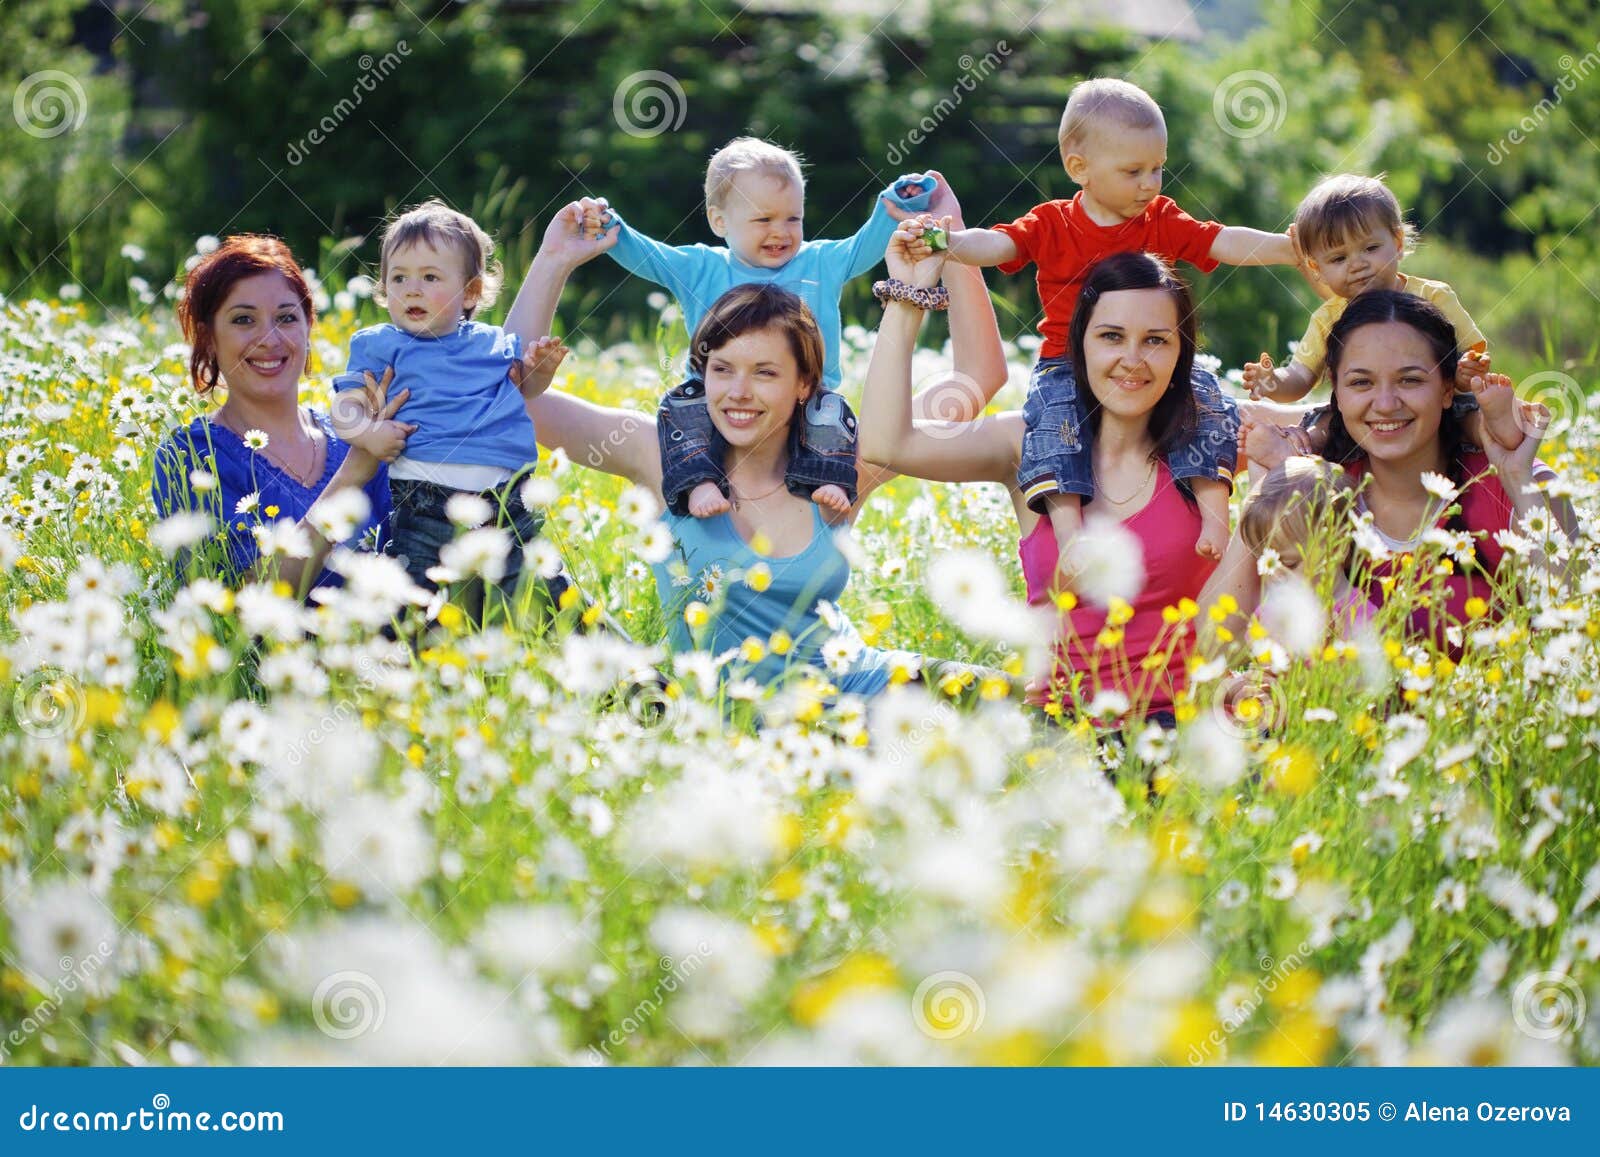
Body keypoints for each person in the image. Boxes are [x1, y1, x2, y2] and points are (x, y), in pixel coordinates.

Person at [499, 185, 1007, 697]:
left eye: (765, 373)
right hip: (737, 733)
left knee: (1041, 710)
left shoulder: (842, 460)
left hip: (862, 698)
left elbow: (978, 377)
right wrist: (552, 261)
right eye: (722, 370)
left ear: (805, 383)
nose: (738, 393)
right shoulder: (656, 454)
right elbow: (509, 399)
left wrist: (951, 239)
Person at [860, 231, 1237, 726]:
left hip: (1186, 729)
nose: (1132, 359)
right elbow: (887, 444)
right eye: (1111, 336)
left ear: (1180, 353)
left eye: (1156, 341)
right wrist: (907, 296)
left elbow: (1353, 422)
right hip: (1060, 734)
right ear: (1079, 343)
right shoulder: (1028, 442)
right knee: (893, 697)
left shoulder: (1214, 437)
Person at [937, 77, 1298, 569]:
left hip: (1153, 360)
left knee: (1206, 401)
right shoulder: (1051, 223)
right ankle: (1069, 535)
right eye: (1134, 171)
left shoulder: (1160, 219)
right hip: (1065, 363)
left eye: (1157, 169)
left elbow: (1222, 241)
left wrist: (1289, 248)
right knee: (1055, 426)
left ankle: (1215, 513)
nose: (1150, 184)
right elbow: (996, 246)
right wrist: (948, 243)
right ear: (1078, 167)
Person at [589, 137, 939, 518]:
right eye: (763, 219)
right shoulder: (701, 267)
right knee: (679, 409)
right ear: (719, 221)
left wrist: (898, 206)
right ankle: (699, 481)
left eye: (793, 218)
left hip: (808, 396)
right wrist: (610, 227)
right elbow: (648, 256)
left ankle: (827, 476)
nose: (781, 232)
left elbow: (864, 246)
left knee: (834, 416)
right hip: (717, 398)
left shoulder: (821, 261)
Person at [1211, 290, 1577, 652]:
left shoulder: (1515, 488)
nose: (1385, 404)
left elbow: (1572, 636)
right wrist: (1270, 487)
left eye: (1410, 380)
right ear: (1336, 394)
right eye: (1361, 382)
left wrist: (1517, 477)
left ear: (1448, 390)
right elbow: (1213, 644)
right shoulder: (1315, 492)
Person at [151, 235, 412, 598]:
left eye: (287, 317)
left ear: (308, 328)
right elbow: (245, 603)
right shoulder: (191, 457)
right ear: (209, 339)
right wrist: (355, 470)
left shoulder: (354, 437)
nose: (269, 339)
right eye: (243, 319)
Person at [331, 199, 547, 623]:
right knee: (410, 612)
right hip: (425, 504)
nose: (412, 289)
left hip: (508, 505)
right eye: (399, 278)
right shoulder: (380, 344)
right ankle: (386, 679)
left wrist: (541, 370)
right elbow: (346, 407)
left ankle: (639, 686)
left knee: (546, 601)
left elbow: (527, 390)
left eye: (430, 277)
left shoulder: (492, 342)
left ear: (470, 291)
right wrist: (366, 434)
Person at [1240, 172, 1523, 458]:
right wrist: (1273, 381)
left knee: (1467, 417)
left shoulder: (1432, 296)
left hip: (1441, 403)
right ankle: (1293, 447)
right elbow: (1300, 377)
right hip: (1366, 415)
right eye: (1339, 258)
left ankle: (1498, 427)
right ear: (1316, 268)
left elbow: (1471, 350)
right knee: (1325, 423)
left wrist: (1464, 373)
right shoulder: (1329, 318)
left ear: (1398, 242)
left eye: (1371, 248)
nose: (1357, 264)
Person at [1237, 456, 1376, 639]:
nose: (1273, 574)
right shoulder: (1270, 616)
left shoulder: (1360, 617)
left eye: (1289, 563)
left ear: (1336, 548)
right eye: (1267, 563)